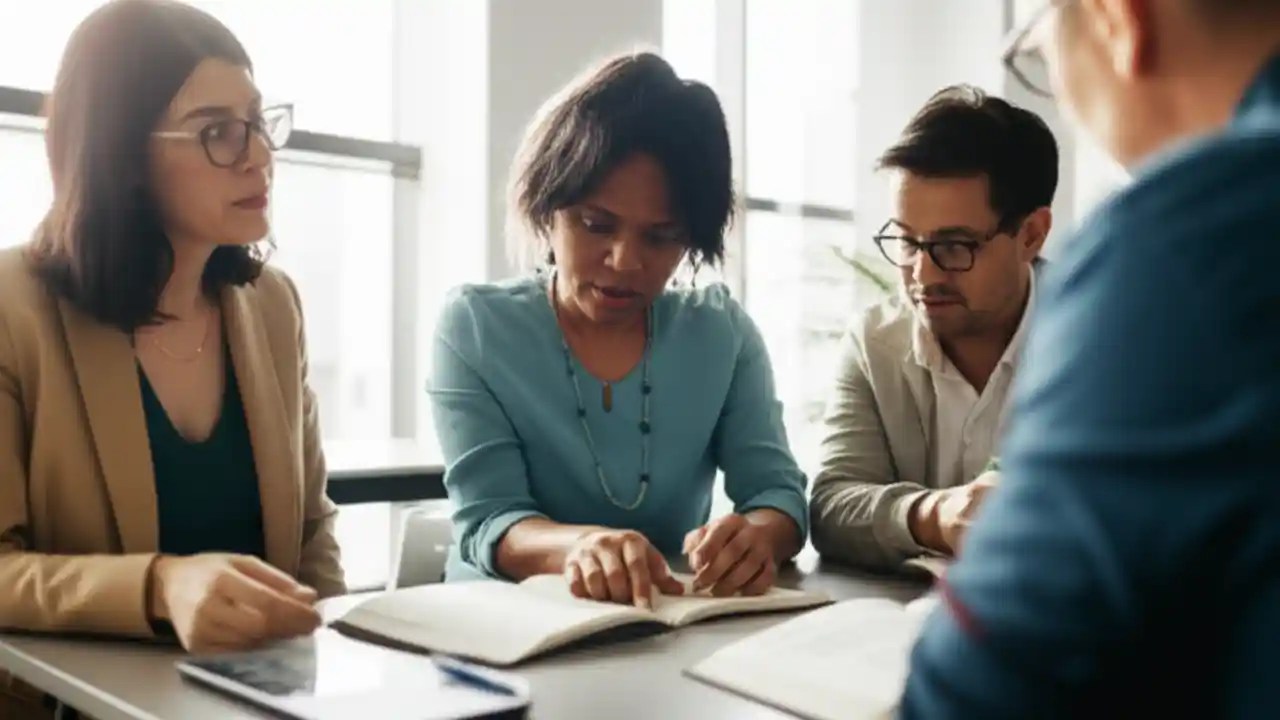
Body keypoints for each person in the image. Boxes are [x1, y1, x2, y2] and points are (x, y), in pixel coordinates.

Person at [903, 1, 1280, 717]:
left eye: (1039, 52)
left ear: (1117, 19)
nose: (925, 273)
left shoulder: (1191, 239)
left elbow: (982, 691)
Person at [0, 4, 345, 713]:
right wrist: (160, 586)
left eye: (257, 121)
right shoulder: (12, 311)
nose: (258, 155)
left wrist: (341, 676)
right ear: (122, 158)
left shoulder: (273, 307)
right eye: (218, 132)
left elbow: (312, 538)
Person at [428, 52, 807, 607]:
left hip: (659, 629)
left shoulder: (721, 335)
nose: (626, 261)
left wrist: (758, 536)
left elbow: (778, 493)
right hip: (499, 630)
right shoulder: (477, 327)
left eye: (661, 237)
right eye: (596, 225)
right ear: (546, 206)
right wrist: (579, 546)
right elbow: (489, 518)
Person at [809, 85, 1057, 571]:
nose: (922, 274)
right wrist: (932, 514)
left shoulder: (1100, 340)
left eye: (955, 246)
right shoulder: (875, 341)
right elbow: (832, 505)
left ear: (1030, 234)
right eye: (906, 242)